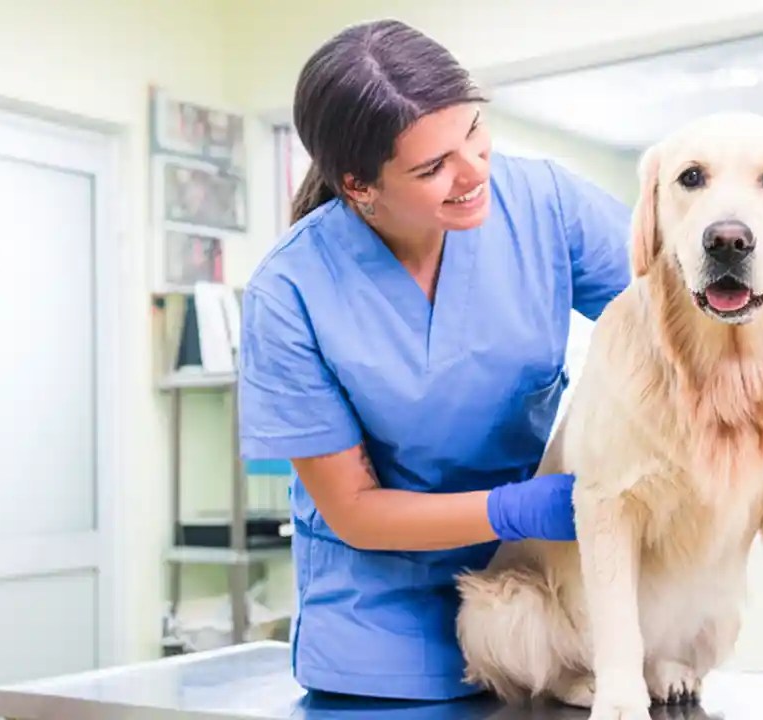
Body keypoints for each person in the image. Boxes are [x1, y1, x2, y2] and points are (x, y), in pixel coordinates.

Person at [236, 19, 632, 702]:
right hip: (385, 641)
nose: (474, 172)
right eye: (432, 167)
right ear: (361, 186)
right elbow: (354, 509)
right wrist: (516, 509)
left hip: (547, 605)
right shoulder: (291, 292)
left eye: (473, 132)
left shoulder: (543, 206)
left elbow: (675, 301)